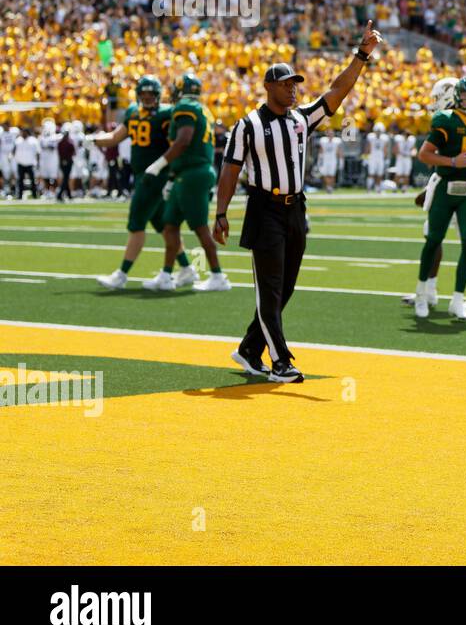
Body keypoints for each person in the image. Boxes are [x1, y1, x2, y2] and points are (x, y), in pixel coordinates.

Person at [216, 22, 383, 383]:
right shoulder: (248, 125)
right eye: (286, 83)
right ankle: (280, 361)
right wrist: (220, 213)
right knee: (270, 287)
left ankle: (249, 348)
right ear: (269, 87)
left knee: (286, 286)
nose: (293, 89)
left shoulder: (301, 120)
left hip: (296, 208)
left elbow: (336, 92)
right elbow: (230, 170)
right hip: (264, 207)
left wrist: (362, 55)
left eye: (295, 84)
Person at [91, 76, 196, 290]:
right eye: (144, 94)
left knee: (136, 224)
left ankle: (121, 275)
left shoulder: (167, 114)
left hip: (154, 177)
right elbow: (114, 137)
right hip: (142, 176)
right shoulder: (132, 112)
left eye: (151, 95)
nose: (147, 98)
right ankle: (187, 269)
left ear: (158, 96)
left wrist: (170, 172)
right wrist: (92, 138)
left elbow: (176, 143)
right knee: (166, 227)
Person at [413, 77, 466, 322]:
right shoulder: (446, 121)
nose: (436, 103)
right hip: (446, 181)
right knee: (435, 236)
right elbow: (432, 154)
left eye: (439, 98)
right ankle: (427, 290)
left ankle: (460, 293)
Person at [143, 73, 228, 292]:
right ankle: (165, 275)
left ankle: (218, 276)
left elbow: (183, 141)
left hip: (193, 174)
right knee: (170, 226)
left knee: (200, 228)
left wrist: (159, 164)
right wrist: (171, 178)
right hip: (186, 173)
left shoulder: (185, 107)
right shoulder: (202, 109)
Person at [14, 127, 38, 199]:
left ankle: (34, 195)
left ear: (27, 133)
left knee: (32, 180)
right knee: (20, 180)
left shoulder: (33, 140)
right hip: (20, 163)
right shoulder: (18, 140)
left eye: (24, 132)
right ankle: (20, 195)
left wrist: (37, 162)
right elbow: (14, 150)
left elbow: (37, 152)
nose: (23, 134)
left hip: (30, 163)